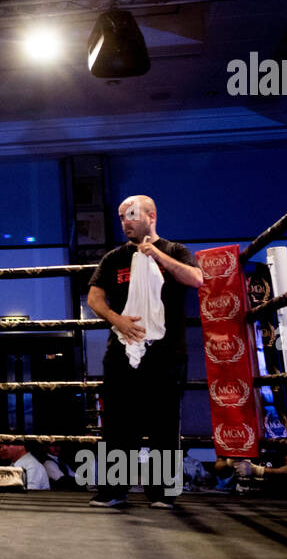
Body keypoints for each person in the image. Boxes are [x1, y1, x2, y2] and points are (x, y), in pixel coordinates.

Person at [86, 194, 202, 509]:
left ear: (150, 215)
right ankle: (114, 489)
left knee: (164, 421)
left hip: (166, 352)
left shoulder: (175, 251)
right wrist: (117, 320)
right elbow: (95, 298)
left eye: (132, 215)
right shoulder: (114, 258)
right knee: (118, 422)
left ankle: (163, 492)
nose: (125, 222)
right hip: (122, 349)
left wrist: (157, 255)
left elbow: (196, 278)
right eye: (122, 216)